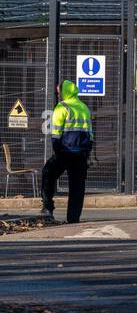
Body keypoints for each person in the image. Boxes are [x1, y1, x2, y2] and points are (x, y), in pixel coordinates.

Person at [41, 79, 94, 224]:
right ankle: (73, 218)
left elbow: (56, 134)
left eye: (59, 92)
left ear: (65, 92)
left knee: (47, 174)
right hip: (81, 153)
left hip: (65, 152)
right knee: (77, 186)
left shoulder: (62, 107)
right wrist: (87, 151)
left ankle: (47, 208)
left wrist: (57, 152)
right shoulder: (84, 107)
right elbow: (90, 133)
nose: (58, 95)